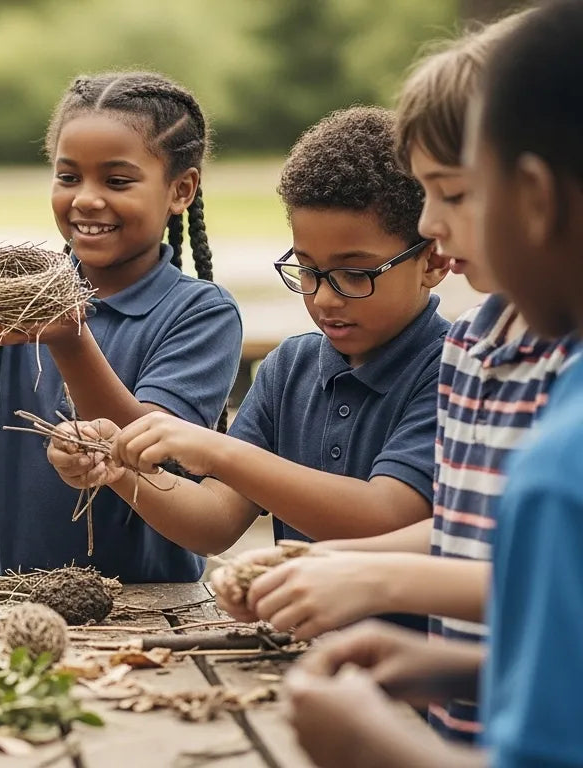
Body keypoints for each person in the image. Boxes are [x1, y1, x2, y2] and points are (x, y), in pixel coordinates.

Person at [284, 3, 583, 765]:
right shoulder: (477, 344)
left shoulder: (562, 455)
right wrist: (455, 666)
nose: (431, 225)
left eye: (453, 193)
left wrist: (365, 743)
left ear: (536, 196)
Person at [0, 71, 241, 581]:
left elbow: (140, 445)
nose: (86, 199)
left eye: (117, 180)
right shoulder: (26, 288)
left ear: (181, 190)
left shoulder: (201, 313)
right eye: (69, 177)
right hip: (8, 593)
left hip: (145, 608)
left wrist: (70, 340)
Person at [47, 107, 448, 566]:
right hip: (302, 637)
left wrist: (220, 452)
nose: (324, 298)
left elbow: (387, 515)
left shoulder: (453, 369)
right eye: (307, 269)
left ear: (433, 263)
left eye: (355, 274)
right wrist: (119, 468)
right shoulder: (289, 369)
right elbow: (213, 522)